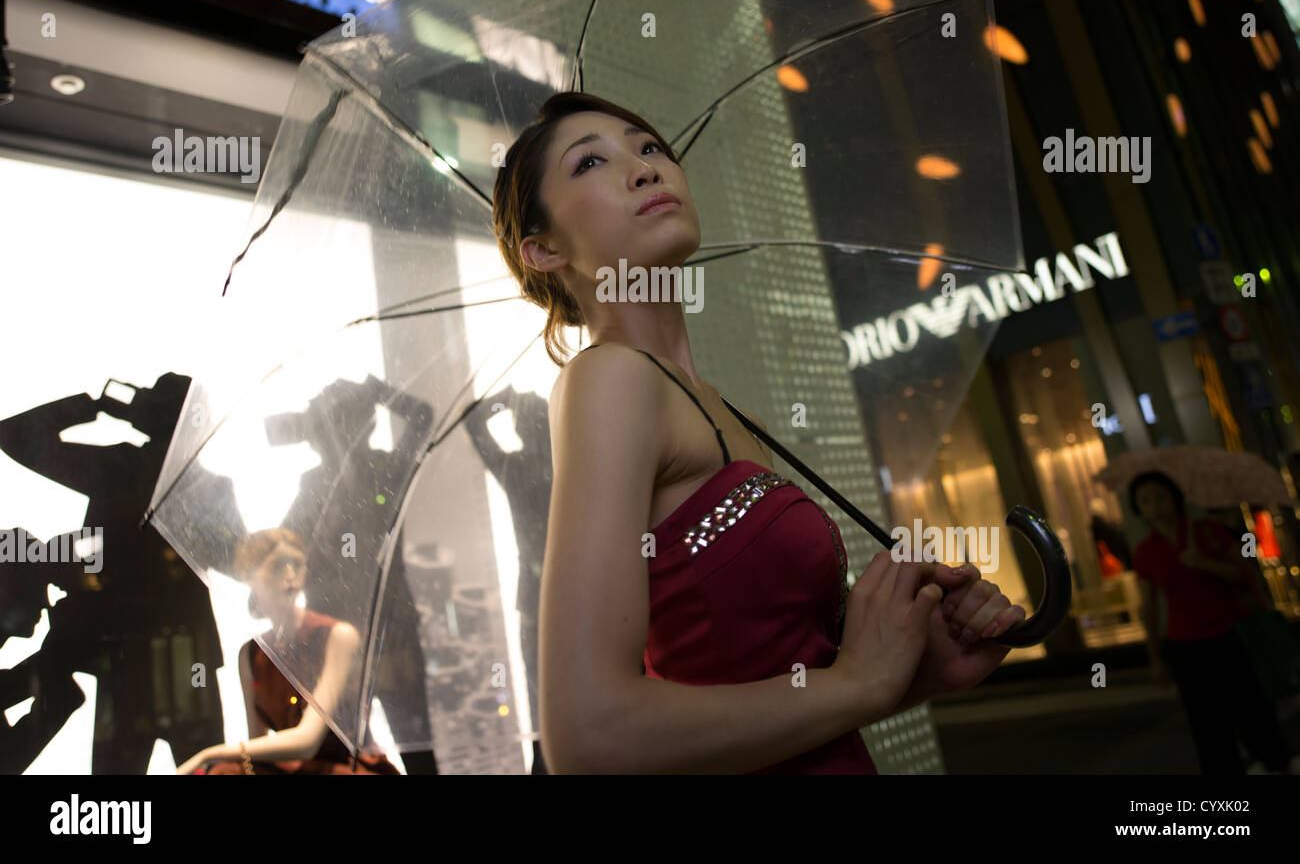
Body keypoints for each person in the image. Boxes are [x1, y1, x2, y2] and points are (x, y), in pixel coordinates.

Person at [492, 91, 1026, 774]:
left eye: (650, 147)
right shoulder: (609, 381)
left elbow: (773, 689)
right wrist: (858, 681)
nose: (646, 167)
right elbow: (590, 737)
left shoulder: (741, 421)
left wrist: (916, 670)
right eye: (592, 160)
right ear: (541, 249)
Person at [176, 529, 399, 774]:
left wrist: (208, 754)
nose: (291, 575)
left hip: (345, 768)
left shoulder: (337, 636)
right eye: (277, 566)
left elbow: (307, 741)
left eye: (297, 564)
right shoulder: (251, 656)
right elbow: (255, 747)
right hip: (294, 769)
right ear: (249, 577)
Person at [1130, 470, 1294, 775]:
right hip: (1184, 644)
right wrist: (1155, 656)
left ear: (1174, 498)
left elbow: (1245, 573)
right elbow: (1148, 607)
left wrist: (1204, 563)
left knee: (1250, 708)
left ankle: (1275, 762)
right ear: (1138, 508)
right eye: (1145, 500)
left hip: (1229, 633)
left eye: (1159, 497)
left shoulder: (1205, 530)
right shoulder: (1146, 551)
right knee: (1205, 721)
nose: (1154, 505)